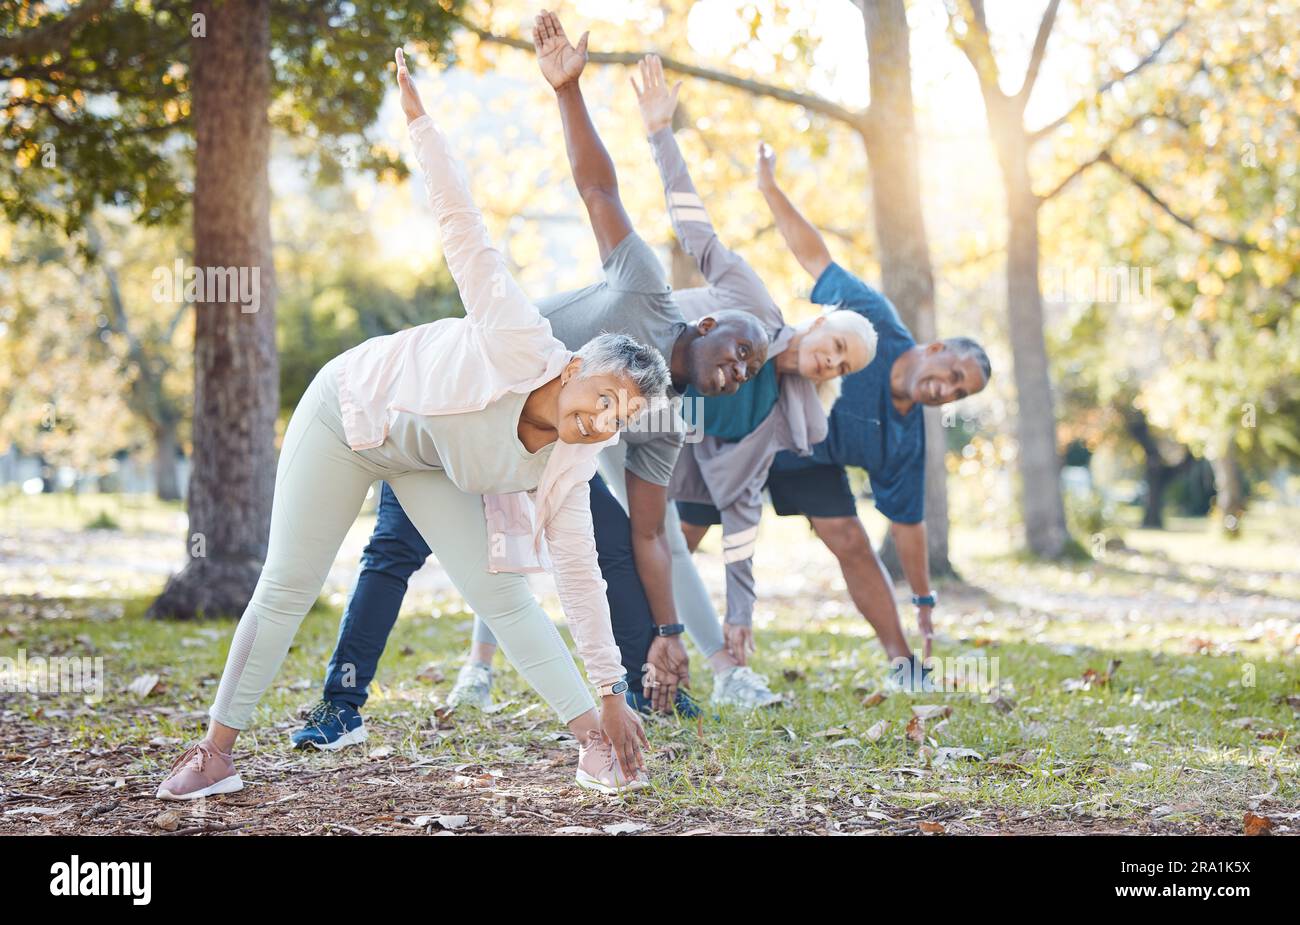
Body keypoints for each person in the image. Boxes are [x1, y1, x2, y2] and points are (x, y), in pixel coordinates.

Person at [156, 47, 667, 801]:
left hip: (420, 462)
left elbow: (580, 578)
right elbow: (466, 233)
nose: (605, 419)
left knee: (505, 599)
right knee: (288, 582)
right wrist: (424, 126)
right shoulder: (520, 338)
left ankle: (593, 743)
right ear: (574, 368)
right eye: (607, 394)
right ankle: (215, 752)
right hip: (348, 411)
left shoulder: (570, 461)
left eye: (623, 418)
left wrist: (613, 691)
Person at [290, 10, 774, 752]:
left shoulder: (664, 422)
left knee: (610, 539)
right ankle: (340, 704)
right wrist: (568, 91)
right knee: (394, 546)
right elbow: (597, 191)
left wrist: (669, 633)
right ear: (710, 326)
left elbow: (651, 535)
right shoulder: (648, 289)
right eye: (742, 349)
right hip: (459, 410)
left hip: (536, 464)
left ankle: (644, 691)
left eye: (751, 373)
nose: (741, 369)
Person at [677, 139, 993, 685]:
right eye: (955, 376)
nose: (949, 391)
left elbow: (909, 524)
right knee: (680, 536)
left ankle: (902, 664)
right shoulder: (875, 320)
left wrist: (922, 597)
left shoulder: (906, 438)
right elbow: (814, 257)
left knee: (848, 536)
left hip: (808, 457)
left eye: (960, 394)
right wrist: (770, 190)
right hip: (751, 426)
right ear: (937, 349)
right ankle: (643, 642)